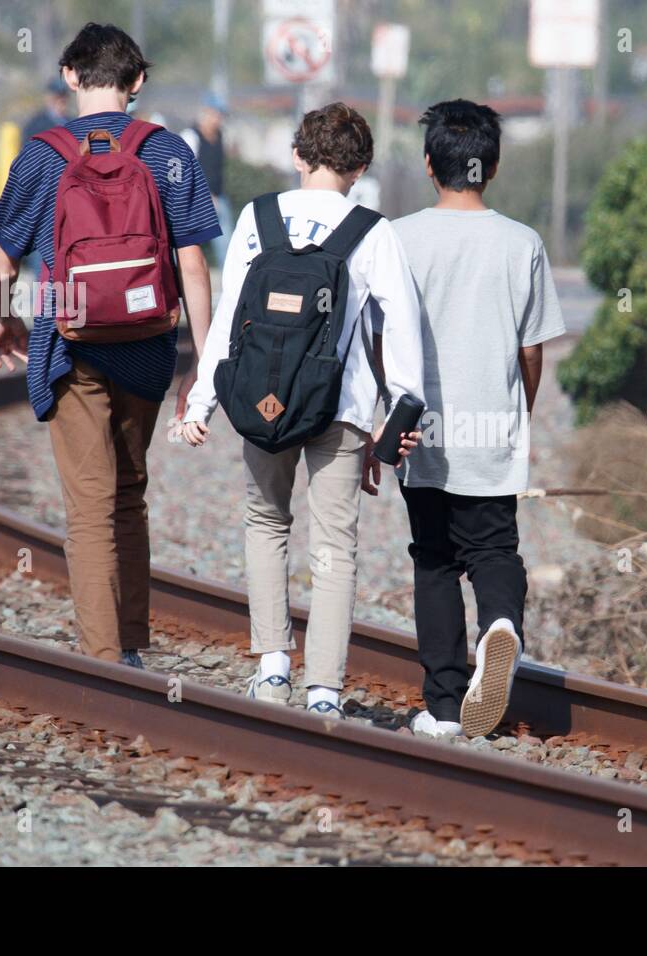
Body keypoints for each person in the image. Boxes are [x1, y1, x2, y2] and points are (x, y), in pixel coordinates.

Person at [0, 23, 219, 665]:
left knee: (89, 508)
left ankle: (103, 659)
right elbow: (193, 264)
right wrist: (202, 365)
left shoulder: (42, 155)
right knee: (128, 495)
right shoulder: (168, 152)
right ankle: (132, 646)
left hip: (69, 346)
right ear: (137, 80)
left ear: (69, 75)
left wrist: (5, 320)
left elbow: (3, 264)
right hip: (147, 345)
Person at [180, 102, 424, 720]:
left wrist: (202, 400)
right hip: (341, 406)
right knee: (334, 542)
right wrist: (398, 416)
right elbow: (401, 331)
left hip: (261, 400)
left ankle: (271, 667)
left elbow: (230, 317)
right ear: (360, 168)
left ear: (297, 156)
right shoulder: (373, 231)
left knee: (266, 522)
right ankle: (324, 692)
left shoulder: (257, 217)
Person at [392, 100, 566, 739]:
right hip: (492, 423)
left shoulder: (398, 239)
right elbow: (531, 350)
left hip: (422, 426)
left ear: (429, 164)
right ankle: (500, 623)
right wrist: (520, 410)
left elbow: (382, 339)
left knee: (435, 558)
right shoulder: (523, 243)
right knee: (494, 548)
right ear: (490, 167)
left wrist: (387, 414)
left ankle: (443, 707)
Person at [20, 78, 72, 281]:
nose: (60, 101)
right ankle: (42, 298)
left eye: (63, 96)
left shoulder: (72, 123)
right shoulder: (36, 125)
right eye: (57, 96)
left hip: (68, 197)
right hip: (43, 198)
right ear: (48, 97)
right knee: (41, 259)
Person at [180, 93, 232, 266]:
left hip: (219, 196)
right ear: (206, 113)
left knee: (226, 244)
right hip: (196, 199)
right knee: (191, 245)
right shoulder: (191, 136)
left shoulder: (220, 135)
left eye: (220, 115)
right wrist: (205, 195)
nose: (218, 119)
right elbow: (187, 171)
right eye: (215, 114)